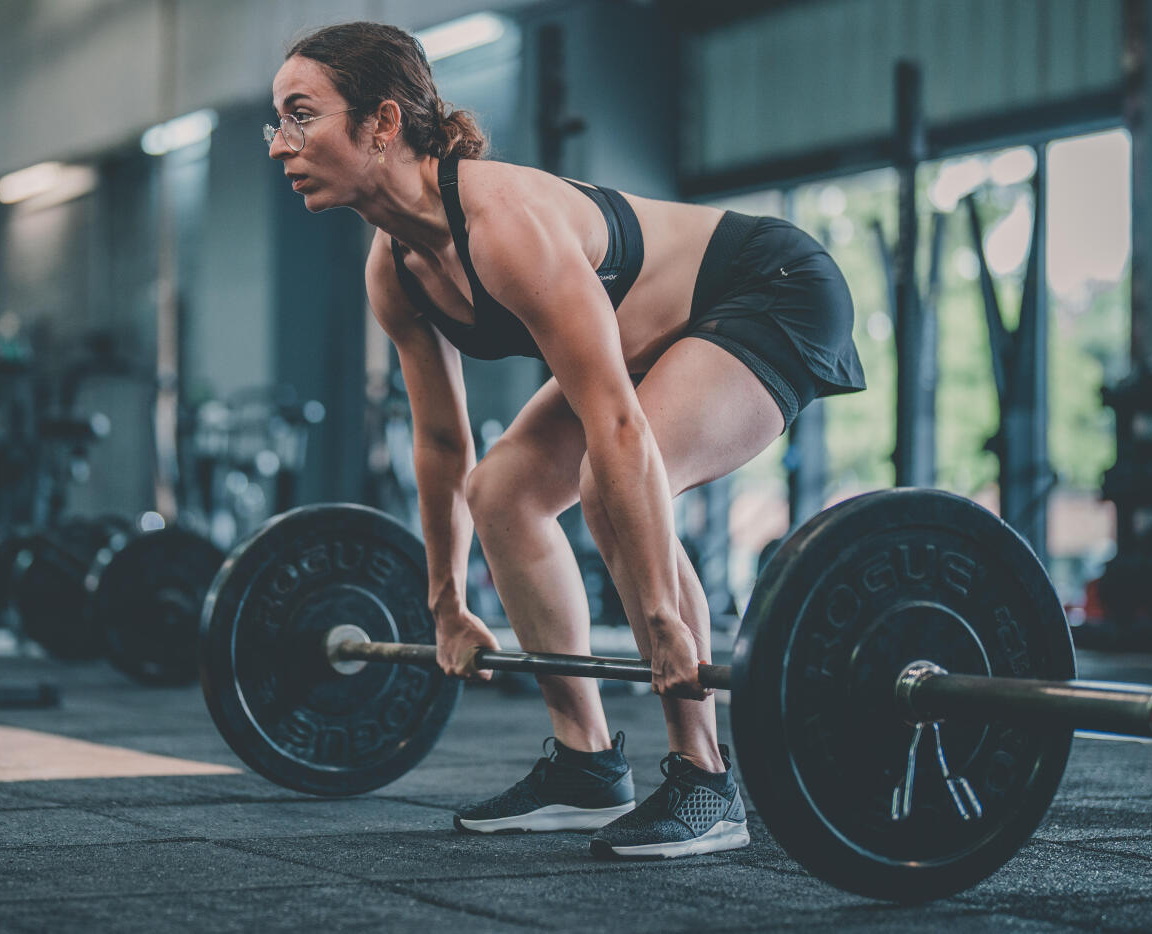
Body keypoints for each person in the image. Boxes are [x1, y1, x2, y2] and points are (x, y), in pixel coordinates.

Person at [267, 22, 865, 859]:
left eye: (300, 116)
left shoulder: (503, 225)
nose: (280, 145)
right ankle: (586, 764)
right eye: (277, 122)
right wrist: (446, 604)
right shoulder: (394, 270)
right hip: (658, 333)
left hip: (771, 291)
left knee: (606, 489)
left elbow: (617, 426)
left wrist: (659, 616)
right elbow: (442, 443)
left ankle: (706, 777)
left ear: (383, 122)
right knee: (503, 489)